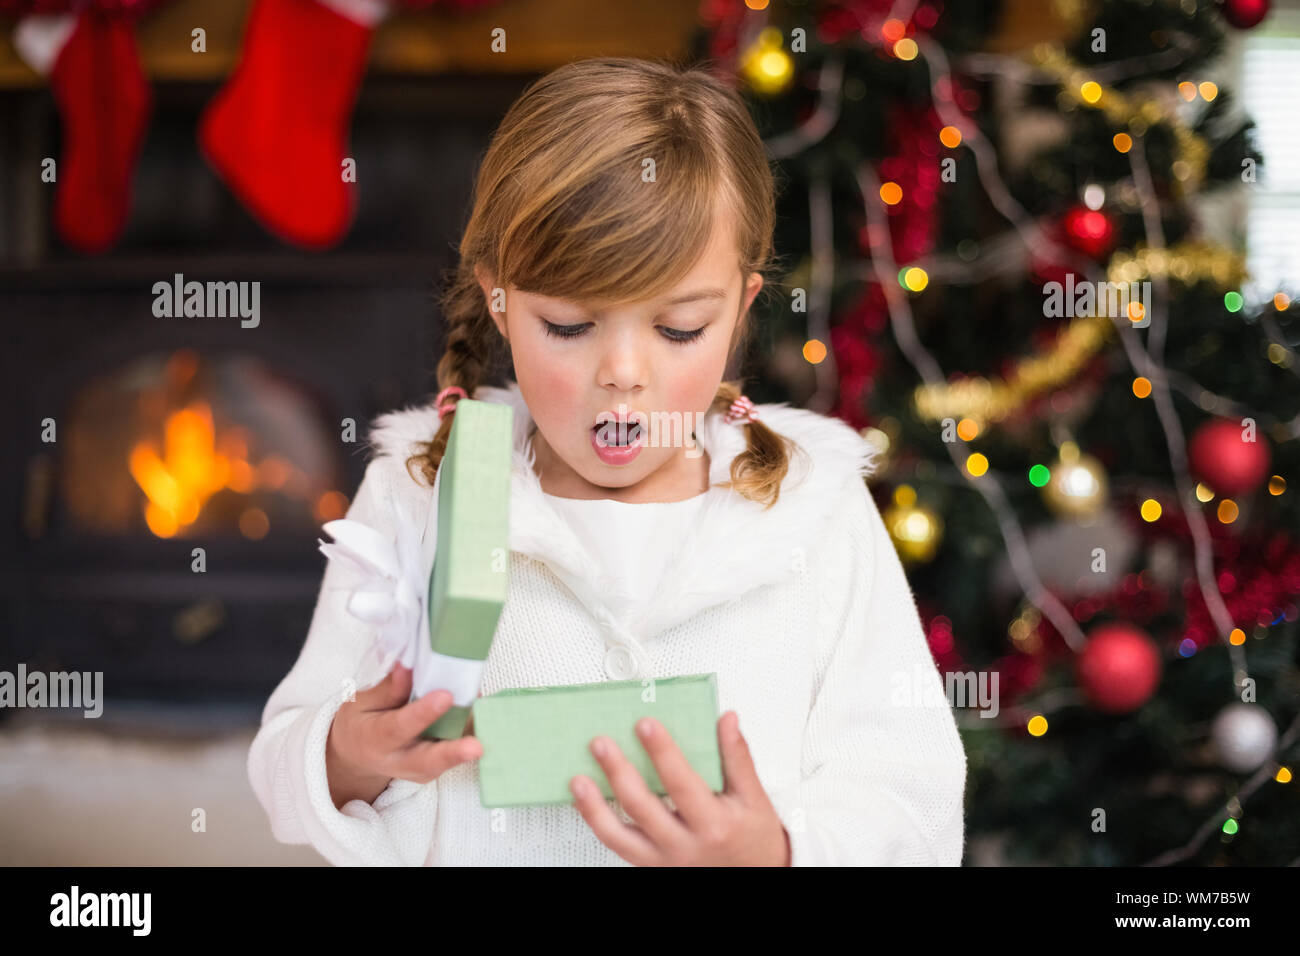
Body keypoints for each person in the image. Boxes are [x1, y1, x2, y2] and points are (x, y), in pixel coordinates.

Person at [248, 57, 967, 866]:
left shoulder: (814, 506)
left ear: (740, 311)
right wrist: (346, 755)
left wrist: (781, 853)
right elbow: (284, 776)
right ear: (500, 301)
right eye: (567, 326)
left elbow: (914, 796)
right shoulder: (419, 490)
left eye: (680, 329)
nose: (623, 373)